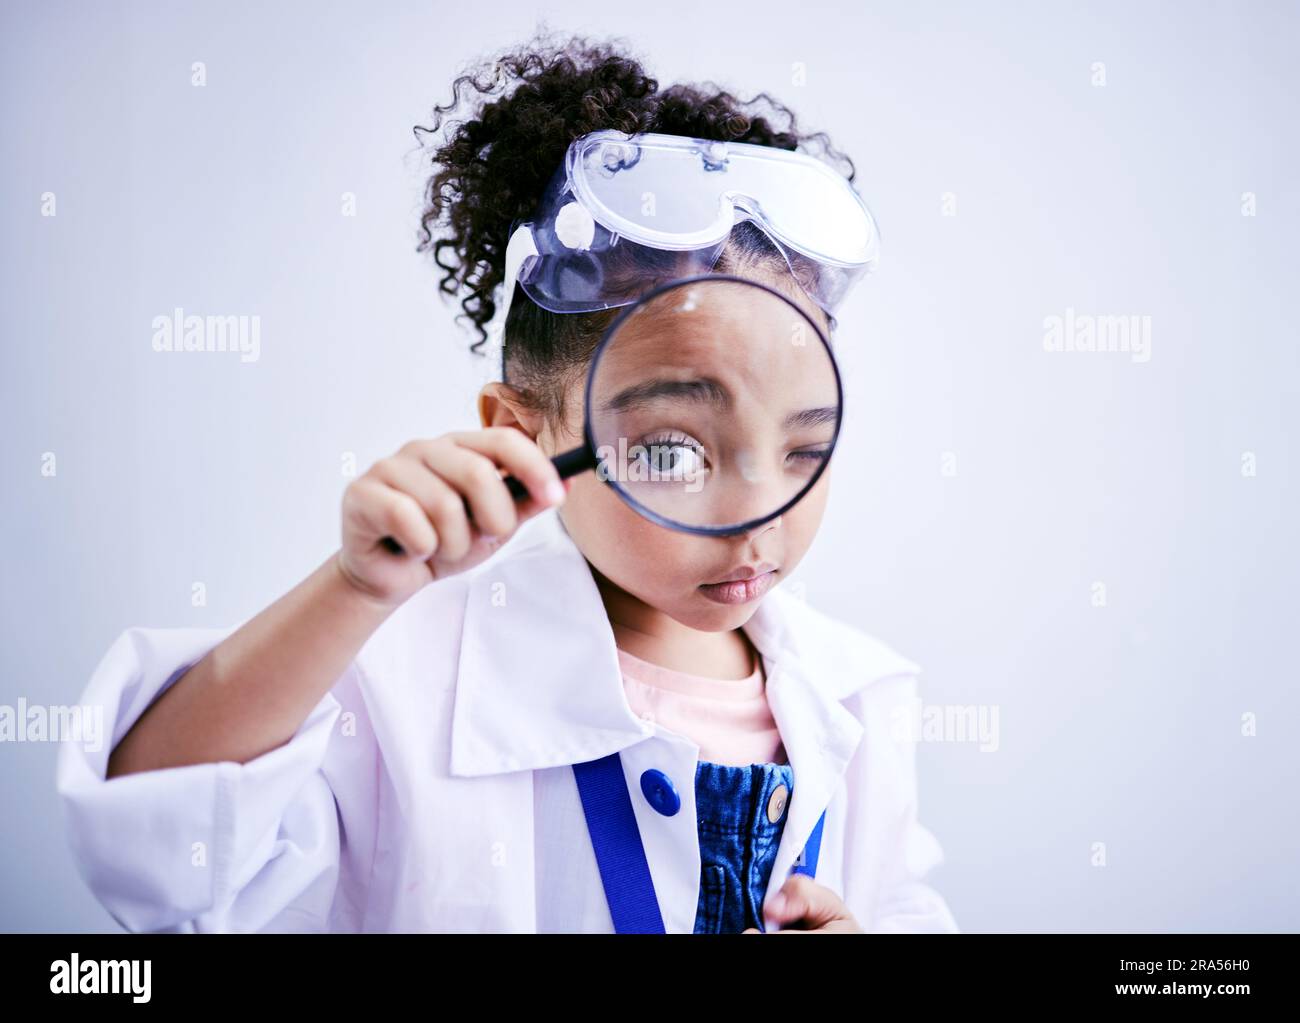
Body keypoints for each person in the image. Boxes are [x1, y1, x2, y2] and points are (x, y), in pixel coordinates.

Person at [56, 30, 959, 934]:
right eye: (675, 452)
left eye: (806, 451)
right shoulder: (397, 687)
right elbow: (153, 850)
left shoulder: (860, 697)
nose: (758, 522)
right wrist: (351, 588)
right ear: (520, 436)